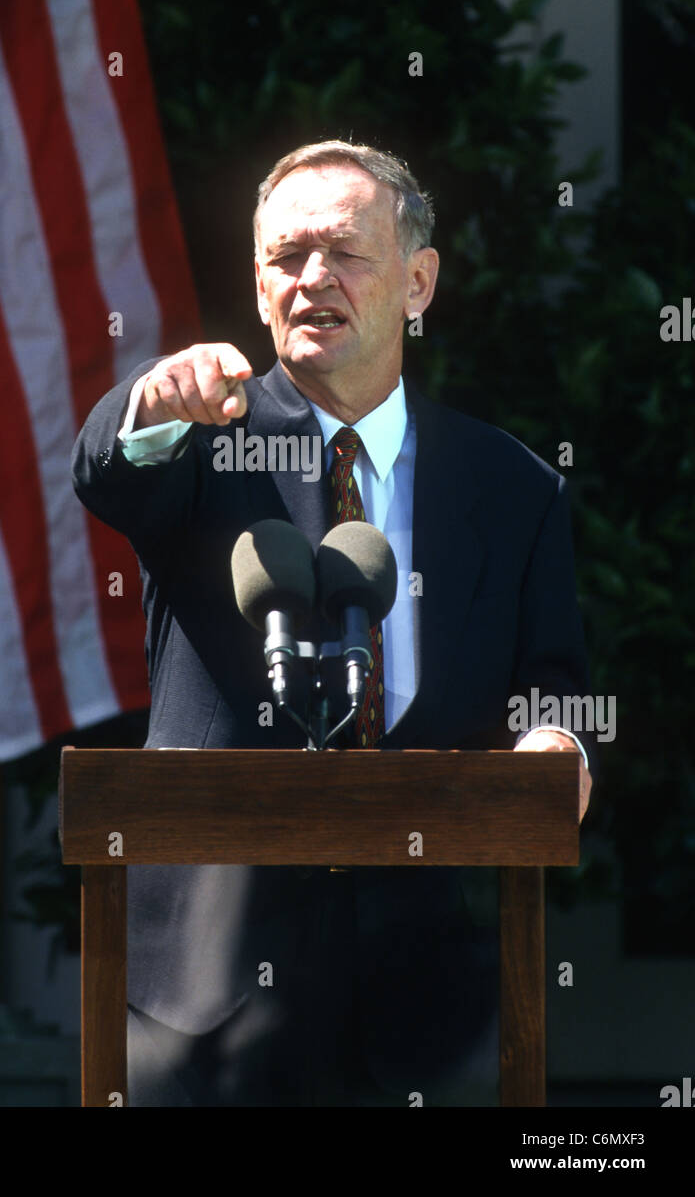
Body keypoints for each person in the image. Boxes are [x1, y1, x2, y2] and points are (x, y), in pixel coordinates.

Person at [71, 140, 593, 1107]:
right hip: (206, 984)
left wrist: (554, 741)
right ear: (260, 287)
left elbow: (548, 682)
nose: (313, 278)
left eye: (346, 253)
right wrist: (151, 403)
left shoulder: (510, 485)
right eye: (285, 257)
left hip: (424, 998)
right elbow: (108, 469)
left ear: (417, 282)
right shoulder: (203, 443)